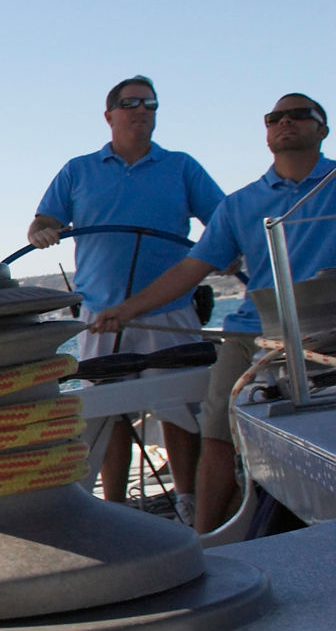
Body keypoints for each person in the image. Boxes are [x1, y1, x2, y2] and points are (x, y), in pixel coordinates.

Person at [92, 94, 335, 533]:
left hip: (329, 332)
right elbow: (190, 268)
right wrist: (124, 310)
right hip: (251, 336)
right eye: (274, 117)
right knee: (218, 434)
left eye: (299, 115)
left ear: (322, 129)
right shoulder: (241, 204)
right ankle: (207, 541)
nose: (285, 122)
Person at [28, 76, 225, 521]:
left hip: (171, 312)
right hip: (101, 315)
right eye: (131, 103)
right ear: (109, 115)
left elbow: (223, 222)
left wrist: (223, 256)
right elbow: (43, 221)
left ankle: (190, 501)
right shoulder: (78, 170)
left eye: (150, 104)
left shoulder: (182, 167)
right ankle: (113, 511)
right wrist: (43, 232)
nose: (142, 110)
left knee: (180, 410)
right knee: (107, 415)